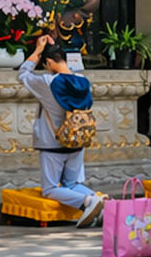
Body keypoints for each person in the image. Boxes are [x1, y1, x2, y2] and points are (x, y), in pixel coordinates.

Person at [17, 32, 107, 228]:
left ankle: (88, 202)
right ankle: (100, 201)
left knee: (50, 189)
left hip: (52, 143)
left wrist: (37, 51)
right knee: (73, 184)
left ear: (49, 62)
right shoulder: (83, 81)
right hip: (79, 140)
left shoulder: (48, 83)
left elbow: (23, 74)